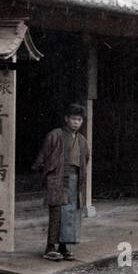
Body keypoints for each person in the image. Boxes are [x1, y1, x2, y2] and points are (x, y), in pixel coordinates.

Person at [32, 104, 89, 262]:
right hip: (57, 179)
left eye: (79, 120)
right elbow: (44, 154)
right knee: (57, 212)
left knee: (70, 214)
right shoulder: (55, 134)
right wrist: (39, 169)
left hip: (75, 179)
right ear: (66, 119)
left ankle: (64, 247)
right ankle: (50, 247)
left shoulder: (82, 140)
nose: (76, 122)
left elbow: (85, 160)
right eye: (73, 119)